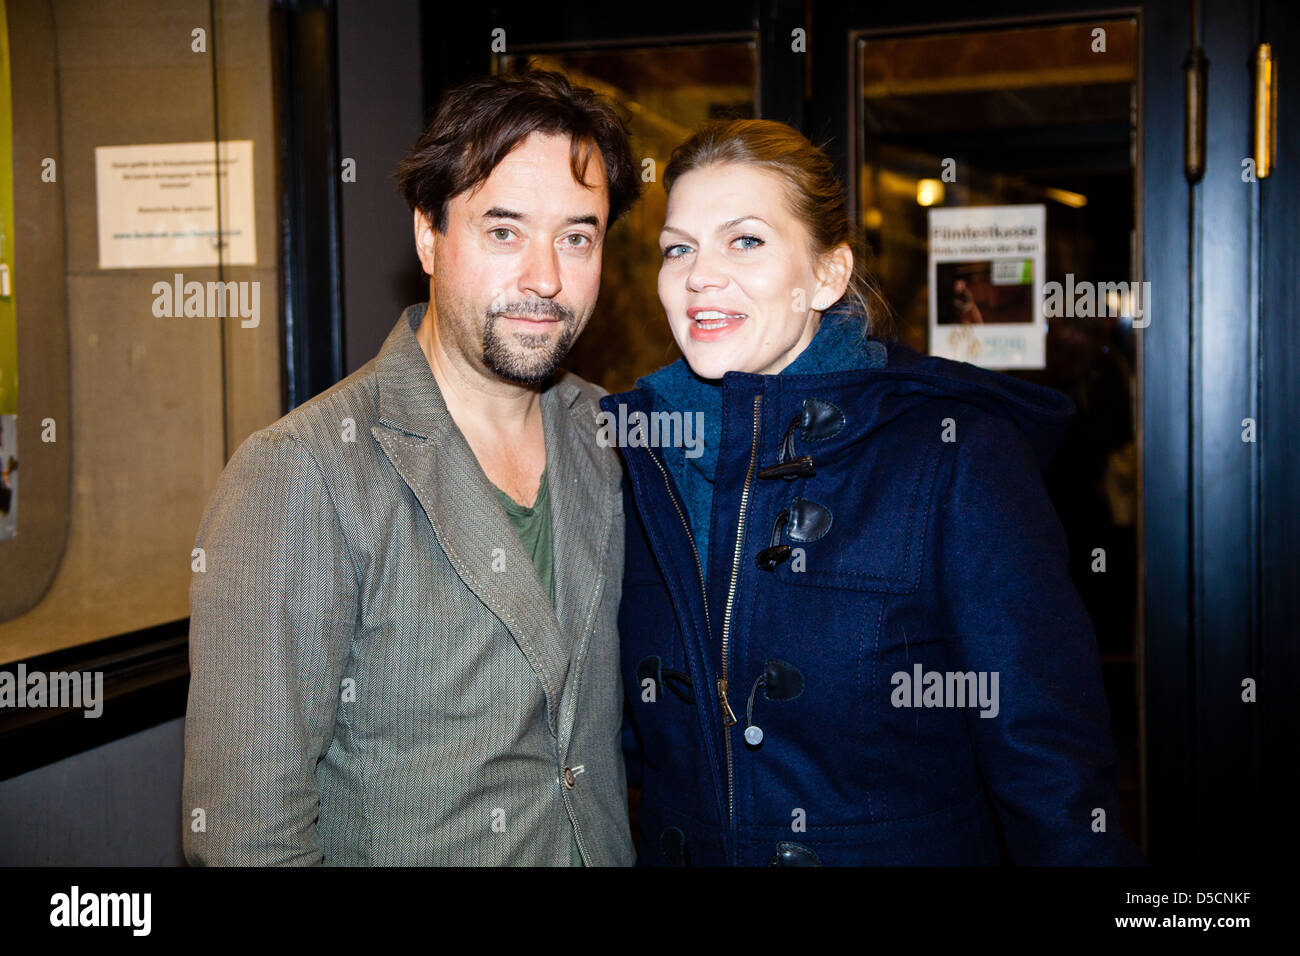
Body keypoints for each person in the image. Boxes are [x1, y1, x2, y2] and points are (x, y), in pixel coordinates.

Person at [602, 119, 1145, 866]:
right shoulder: (645, 460)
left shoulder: (953, 455)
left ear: (827, 274)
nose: (699, 275)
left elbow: (1047, 765)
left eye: (746, 240)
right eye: (678, 248)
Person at [183, 70, 641, 865]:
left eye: (578, 236)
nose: (545, 278)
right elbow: (244, 840)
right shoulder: (304, 473)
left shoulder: (609, 437)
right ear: (428, 235)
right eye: (504, 231)